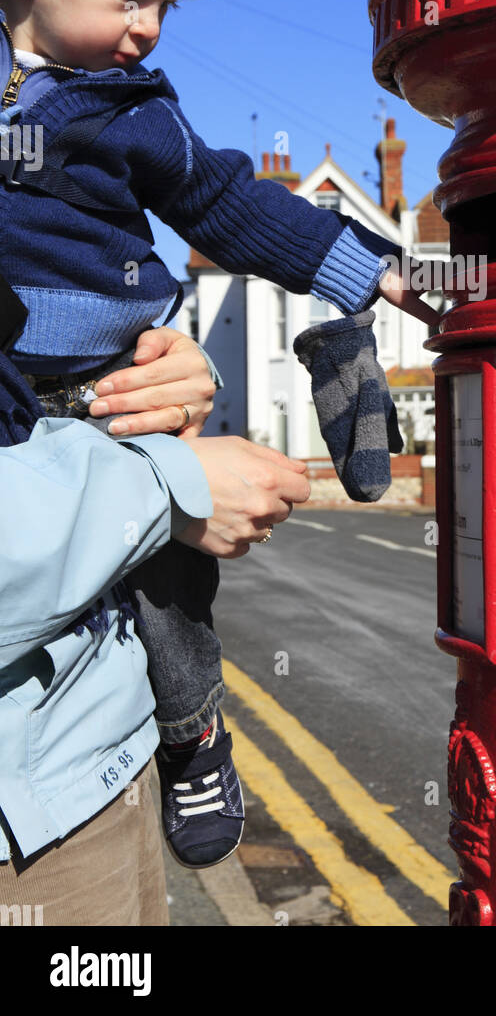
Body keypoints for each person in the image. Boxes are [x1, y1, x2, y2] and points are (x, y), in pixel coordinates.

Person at [0, 0, 441, 870]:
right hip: (22, 388)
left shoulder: (132, 107)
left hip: (122, 362)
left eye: (165, 4)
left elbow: (228, 206)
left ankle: (195, 733)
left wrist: (370, 272)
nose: (148, 25)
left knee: (165, 578)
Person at [0, 323, 311, 925]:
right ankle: (191, 728)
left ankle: (187, 729)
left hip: (104, 764)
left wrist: (169, 375)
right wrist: (169, 486)